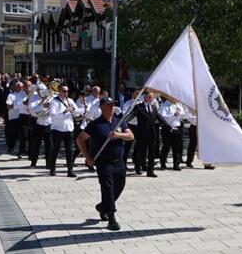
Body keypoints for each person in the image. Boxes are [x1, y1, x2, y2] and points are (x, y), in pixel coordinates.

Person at [78, 97, 134, 231]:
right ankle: (111, 217)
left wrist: (118, 135)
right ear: (102, 107)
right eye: (108, 105)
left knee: (119, 185)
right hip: (103, 162)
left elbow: (131, 136)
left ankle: (103, 206)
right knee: (107, 188)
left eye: (113, 105)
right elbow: (80, 139)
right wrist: (88, 157)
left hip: (119, 161)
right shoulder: (95, 124)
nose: (111, 108)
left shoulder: (119, 122)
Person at [47, 85, 80, 177]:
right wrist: (64, 112)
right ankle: (52, 169)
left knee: (69, 150)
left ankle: (70, 170)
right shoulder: (54, 101)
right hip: (57, 129)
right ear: (59, 91)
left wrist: (77, 110)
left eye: (67, 91)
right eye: (63, 91)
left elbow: (76, 111)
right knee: (55, 149)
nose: (66, 93)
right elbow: (52, 115)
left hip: (68, 128)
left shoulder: (70, 101)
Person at [133, 91, 160, 177]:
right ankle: (137, 167)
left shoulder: (154, 107)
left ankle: (150, 171)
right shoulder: (138, 107)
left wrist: (170, 127)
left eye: (152, 97)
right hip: (142, 134)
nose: (152, 99)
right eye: (150, 97)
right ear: (145, 97)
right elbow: (131, 115)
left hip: (152, 134)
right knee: (141, 152)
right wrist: (122, 123)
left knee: (152, 153)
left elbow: (160, 118)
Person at [27, 87, 53, 168]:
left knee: (49, 145)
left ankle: (49, 164)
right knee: (36, 145)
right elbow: (33, 110)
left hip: (48, 123)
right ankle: (33, 163)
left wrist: (49, 107)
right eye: (40, 90)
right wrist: (42, 105)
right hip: (37, 124)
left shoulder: (51, 98)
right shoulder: (33, 98)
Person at [159, 98, 186, 170]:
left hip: (177, 128)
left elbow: (184, 115)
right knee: (166, 147)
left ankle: (176, 164)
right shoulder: (165, 105)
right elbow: (162, 117)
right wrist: (173, 115)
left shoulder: (178, 105)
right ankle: (163, 163)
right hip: (168, 129)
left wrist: (180, 114)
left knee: (177, 147)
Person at [5, 81, 29, 157]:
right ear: (16, 87)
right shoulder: (11, 95)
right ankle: (11, 147)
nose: (20, 88)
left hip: (22, 116)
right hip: (13, 117)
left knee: (23, 135)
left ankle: (22, 150)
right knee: (12, 134)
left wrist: (16, 105)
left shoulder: (25, 94)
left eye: (22, 87)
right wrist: (19, 106)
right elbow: (8, 106)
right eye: (19, 86)